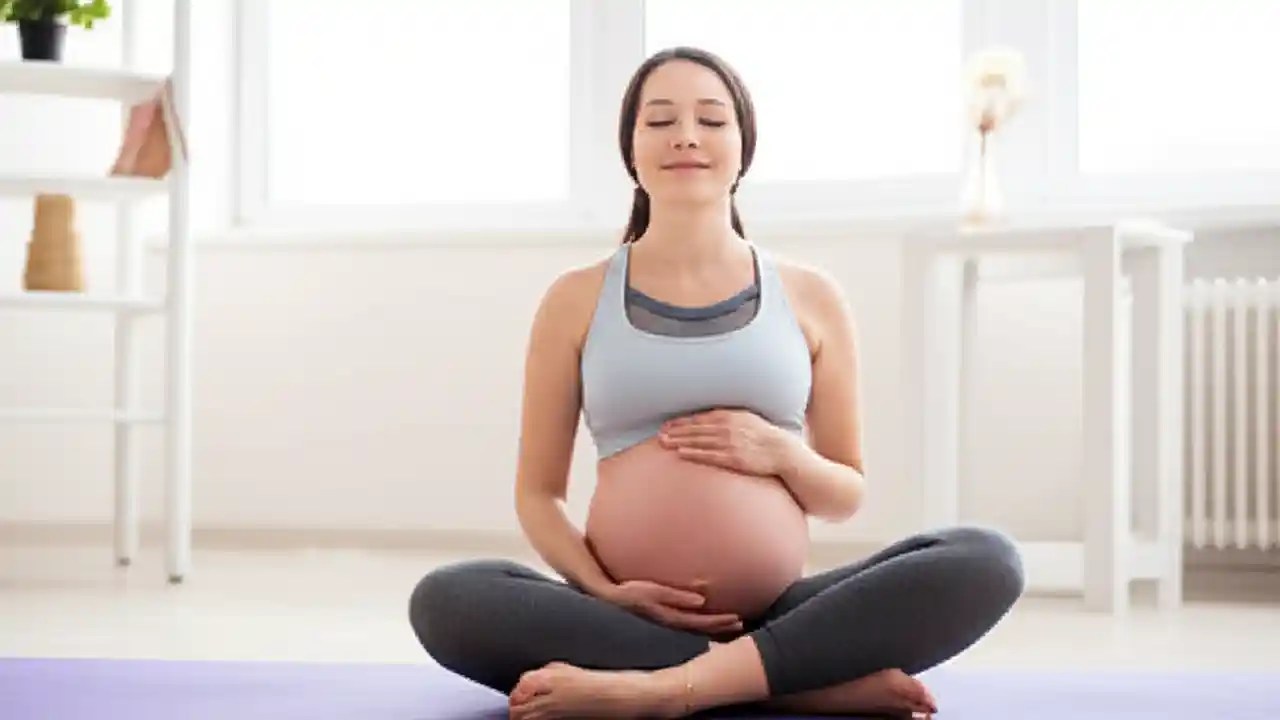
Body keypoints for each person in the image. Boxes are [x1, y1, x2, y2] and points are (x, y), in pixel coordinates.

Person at [408, 46, 1024, 719]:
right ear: (631, 151)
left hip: (772, 611)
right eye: (660, 120)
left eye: (711, 119)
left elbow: (845, 492)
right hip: (625, 618)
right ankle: (796, 681)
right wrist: (603, 591)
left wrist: (781, 454)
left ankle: (666, 689)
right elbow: (538, 494)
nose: (686, 137)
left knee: (984, 559)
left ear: (743, 147)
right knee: (449, 599)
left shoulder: (811, 296)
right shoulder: (575, 299)